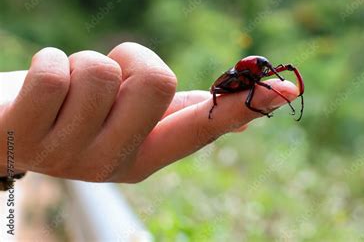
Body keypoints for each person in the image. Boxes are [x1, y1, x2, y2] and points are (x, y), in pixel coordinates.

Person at [0, 42, 298, 186]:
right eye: (265, 70)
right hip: (226, 90)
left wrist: (5, 155)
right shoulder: (239, 77)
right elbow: (234, 96)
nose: (269, 73)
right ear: (252, 69)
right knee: (246, 103)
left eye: (268, 71)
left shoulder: (252, 74)